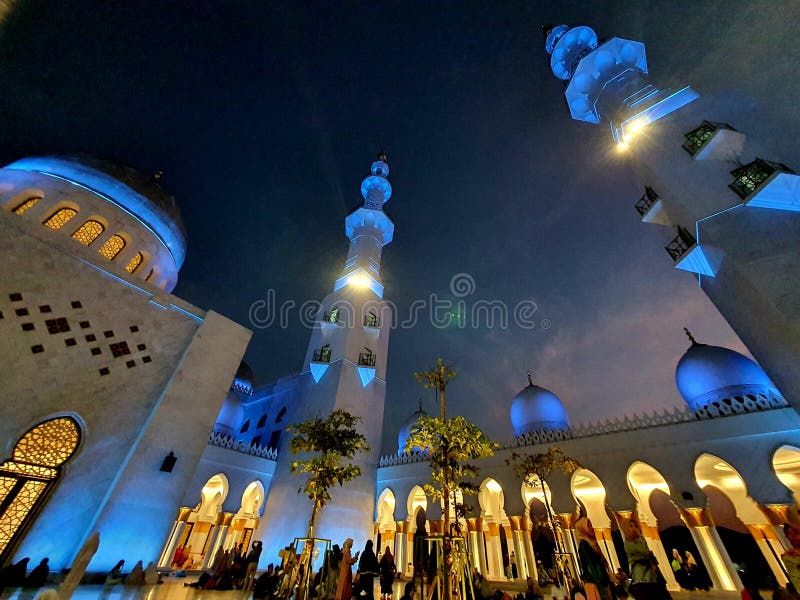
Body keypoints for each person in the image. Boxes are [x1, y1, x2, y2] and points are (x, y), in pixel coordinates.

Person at [622, 516, 671, 600]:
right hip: (641, 580)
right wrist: (640, 536)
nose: (634, 528)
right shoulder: (628, 544)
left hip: (652, 578)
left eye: (634, 526)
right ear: (626, 529)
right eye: (630, 526)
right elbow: (645, 551)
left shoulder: (638, 541)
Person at [574, 516, 613, 600]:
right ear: (582, 528)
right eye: (589, 526)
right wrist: (601, 589)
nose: (592, 528)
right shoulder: (584, 545)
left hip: (601, 581)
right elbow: (591, 566)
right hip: (595, 584)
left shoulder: (592, 543)